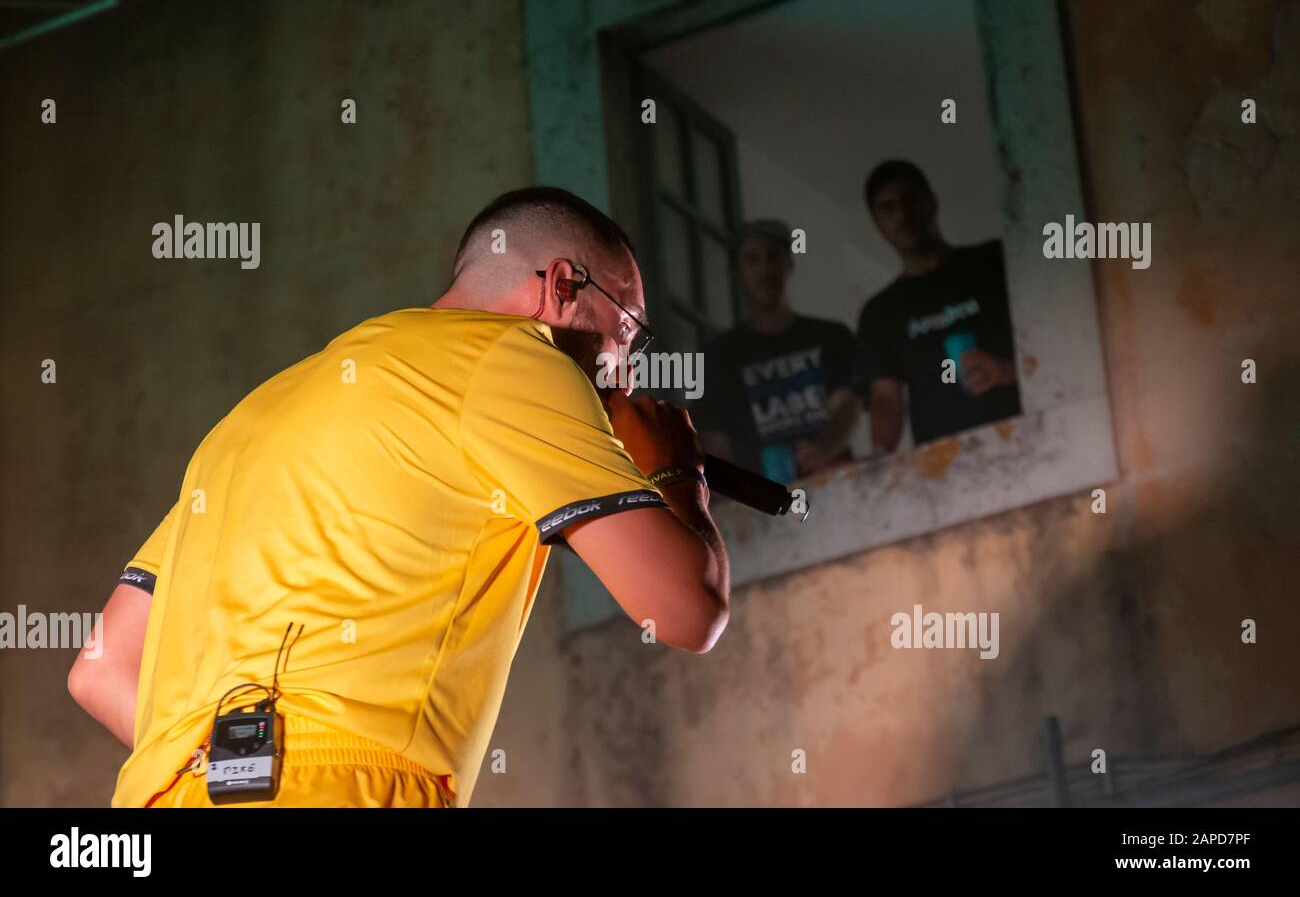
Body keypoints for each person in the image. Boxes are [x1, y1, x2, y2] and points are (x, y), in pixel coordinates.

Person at [67, 187, 730, 808]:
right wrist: (675, 471)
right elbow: (686, 612)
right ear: (561, 287)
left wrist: (240, 775)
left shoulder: (249, 420)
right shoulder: (517, 359)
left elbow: (99, 672)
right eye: (628, 332)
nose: (628, 369)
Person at [856, 160, 1020, 452]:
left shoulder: (993, 262)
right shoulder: (879, 313)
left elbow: (1057, 341)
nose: (902, 214)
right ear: (876, 223)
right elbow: (886, 399)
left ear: (931, 202)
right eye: (888, 208)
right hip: (946, 469)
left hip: (1029, 437)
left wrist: (1006, 371)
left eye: (909, 200)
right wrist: (878, 463)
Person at [694, 220, 859, 484]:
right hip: (760, 506)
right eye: (752, 260)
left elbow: (848, 404)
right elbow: (715, 445)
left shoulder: (830, 336)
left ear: (788, 265)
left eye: (773, 257)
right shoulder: (717, 358)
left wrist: (823, 450)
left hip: (835, 485)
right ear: (735, 273)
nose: (765, 269)